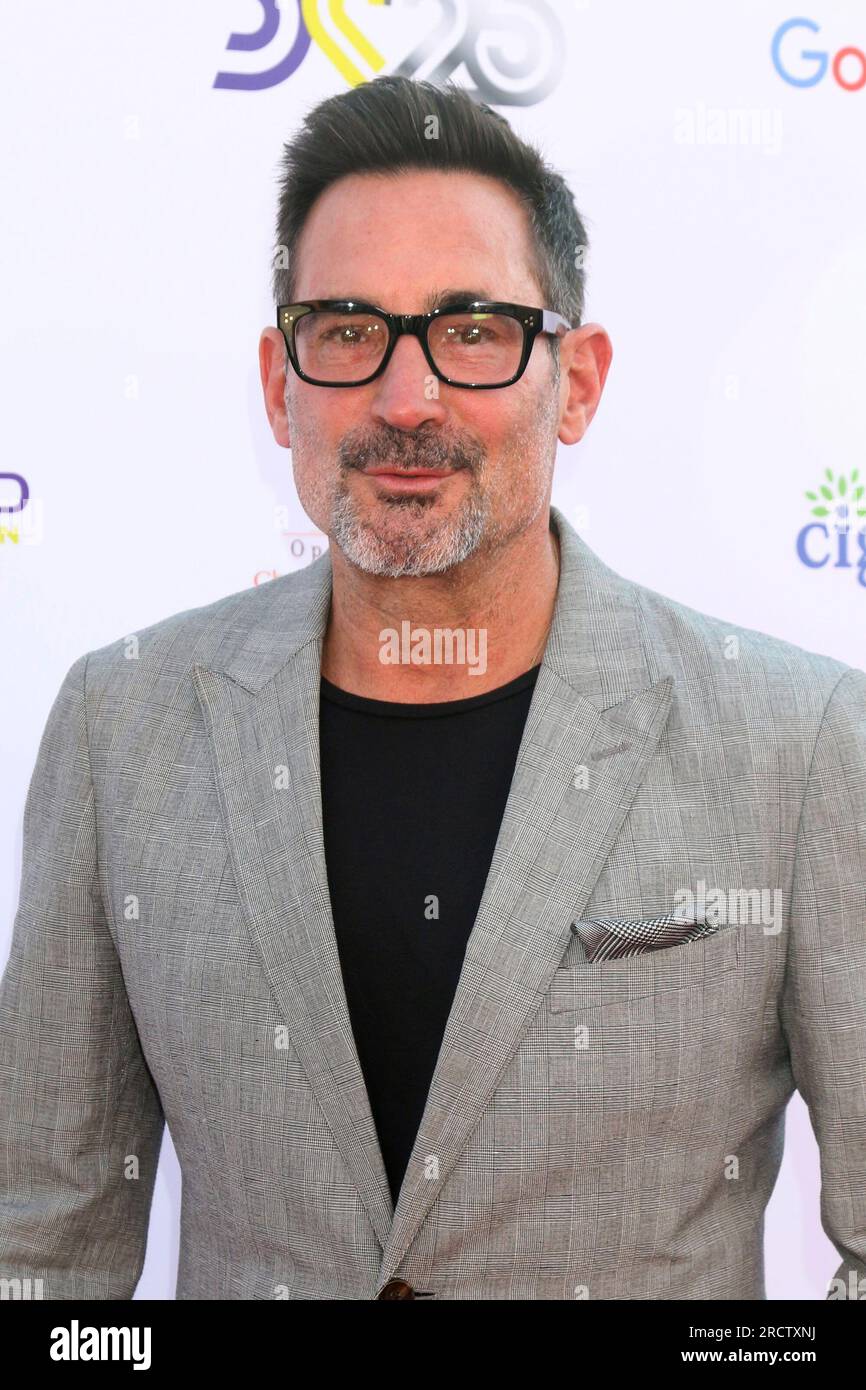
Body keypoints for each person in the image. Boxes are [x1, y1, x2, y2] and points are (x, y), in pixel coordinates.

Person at [1, 75, 864, 1301]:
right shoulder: (119, 729)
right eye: (348, 329)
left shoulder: (798, 742)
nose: (405, 400)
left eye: (470, 329)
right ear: (277, 379)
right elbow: (39, 1248)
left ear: (575, 380)